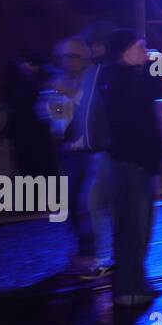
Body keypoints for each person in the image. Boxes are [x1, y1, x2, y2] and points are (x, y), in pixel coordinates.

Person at [98, 29, 162, 307]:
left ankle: (134, 283)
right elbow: (139, 122)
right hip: (134, 163)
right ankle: (130, 289)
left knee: (132, 227)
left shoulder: (117, 78)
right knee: (134, 228)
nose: (145, 52)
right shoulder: (126, 82)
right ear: (124, 51)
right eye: (140, 47)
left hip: (129, 162)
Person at [41, 37, 111, 275]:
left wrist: (71, 94)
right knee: (72, 204)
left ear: (86, 56)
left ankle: (96, 254)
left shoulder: (98, 76)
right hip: (69, 151)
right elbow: (55, 118)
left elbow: (100, 107)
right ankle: (84, 251)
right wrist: (55, 112)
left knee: (88, 204)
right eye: (62, 57)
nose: (67, 61)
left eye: (73, 56)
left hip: (95, 151)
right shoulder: (60, 80)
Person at [0, 52, 56, 177]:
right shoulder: (33, 84)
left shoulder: (11, 87)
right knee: (41, 168)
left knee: (25, 169)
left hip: (21, 135)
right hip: (38, 133)